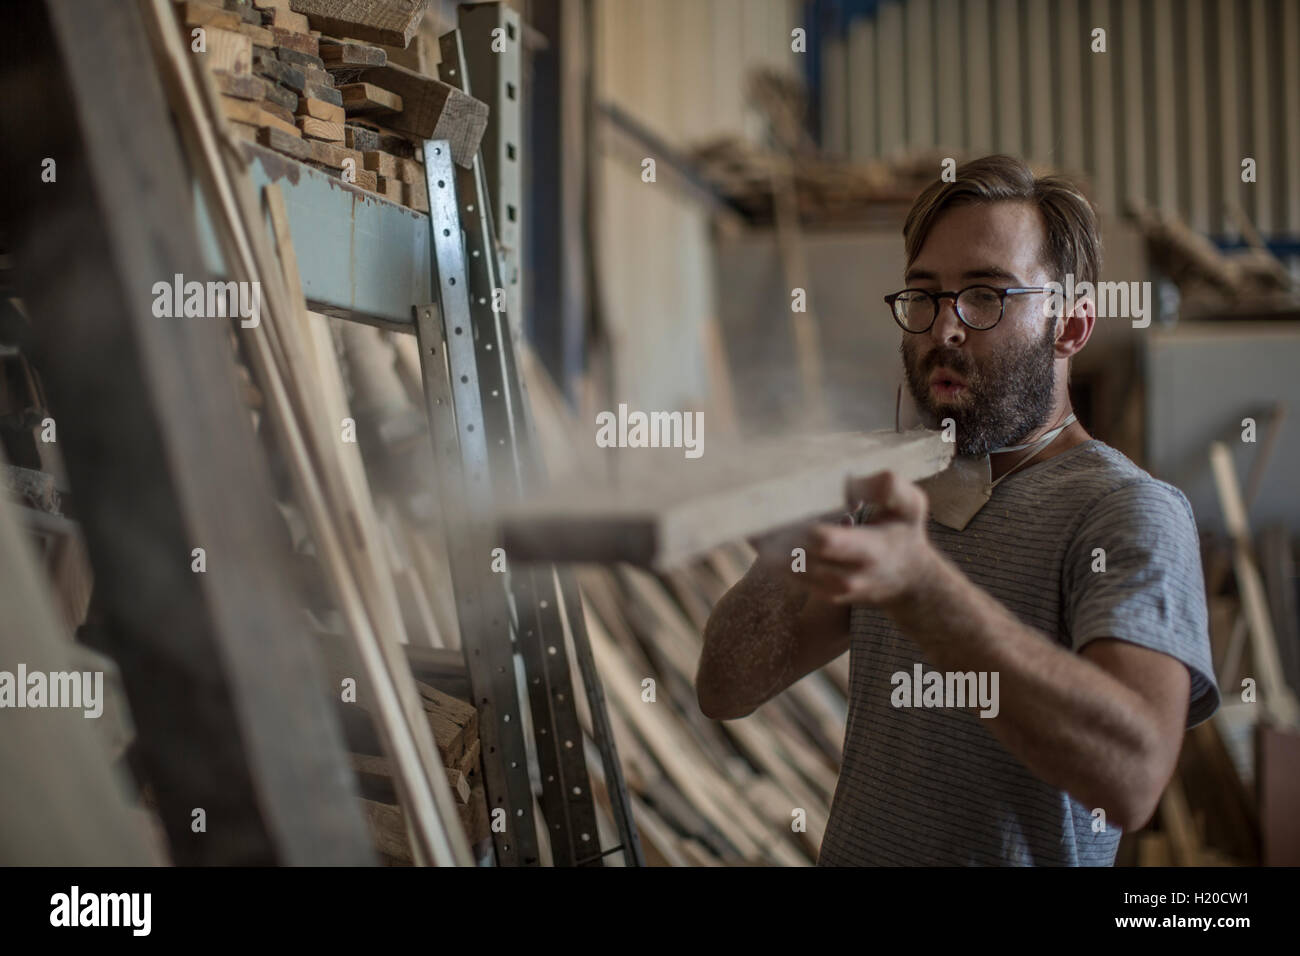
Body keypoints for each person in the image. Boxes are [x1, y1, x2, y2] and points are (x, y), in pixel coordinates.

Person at [696, 154, 1219, 866]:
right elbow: (725, 686)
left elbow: (1131, 780)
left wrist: (920, 587)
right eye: (925, 296)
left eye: (985, 297)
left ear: (1070, 327)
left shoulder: (1125, 511)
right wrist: (793, 537)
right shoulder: (901, 492)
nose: (944, 328)